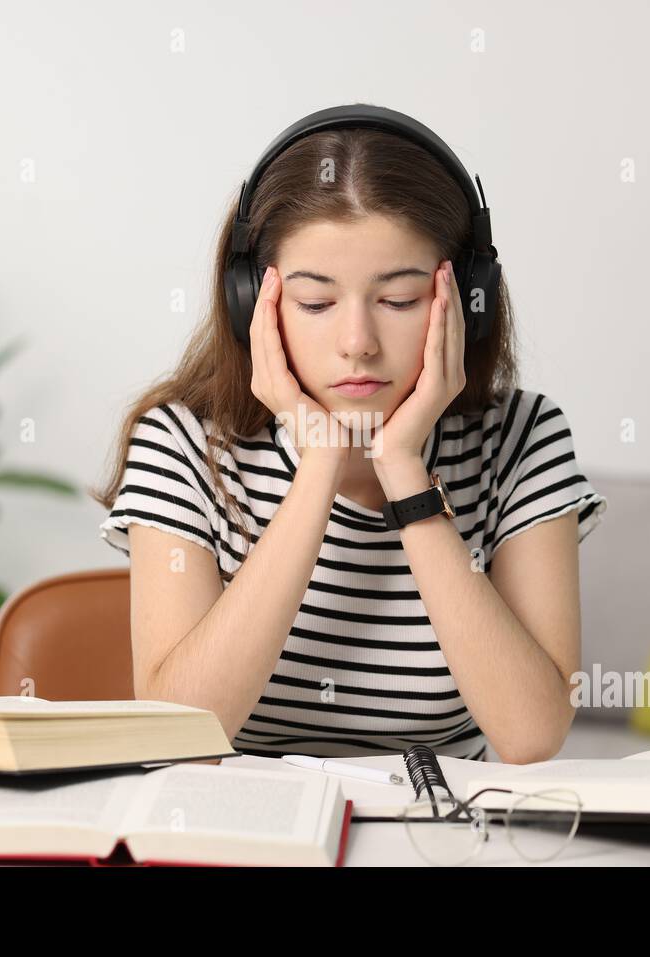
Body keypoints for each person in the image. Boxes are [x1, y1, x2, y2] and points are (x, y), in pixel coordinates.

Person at [93, 107, 607, 763]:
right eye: (315, 302)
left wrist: (402, 469)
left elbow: (532, 734)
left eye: (398, 300)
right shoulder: (181, 443)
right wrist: (319, 469)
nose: (358, 343)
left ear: (466, 300)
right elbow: (181, 729)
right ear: (253, 301)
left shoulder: (523, 439)